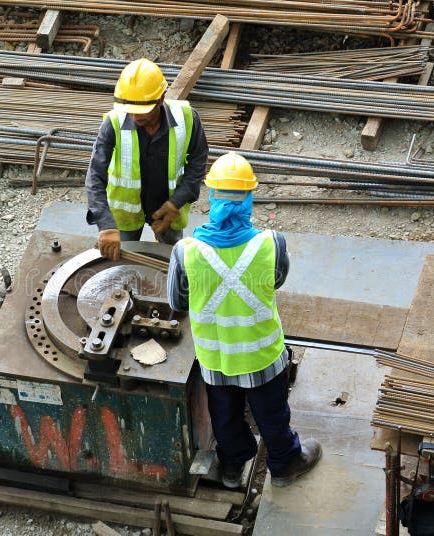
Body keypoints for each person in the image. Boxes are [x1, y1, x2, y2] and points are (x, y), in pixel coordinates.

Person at [167, 152, 322, 489]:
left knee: (225, 417)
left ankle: (232, 468)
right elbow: (277, 281)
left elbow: (177, 301)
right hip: (263, 356)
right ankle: (284, 465)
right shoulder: (272, 244)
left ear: (210, 196)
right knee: (273, 414)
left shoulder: (186, 252)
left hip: (217, 358)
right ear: (250, 197)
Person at [85, 58, 209, 261]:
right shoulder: (114, 123)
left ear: (161, 99)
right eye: (129, 110)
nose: (134, 117)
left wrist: (176, 202)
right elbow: (94, 177)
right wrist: (106, 225)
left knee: (173, 263)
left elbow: (198, 161)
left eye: (141, 112)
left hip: (167, 208)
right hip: (126, 213)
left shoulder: (186, 118)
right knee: (121, 262)